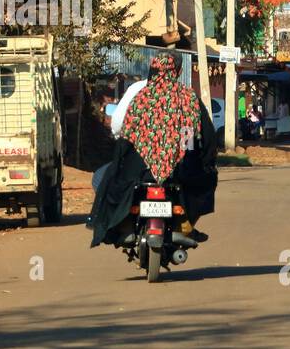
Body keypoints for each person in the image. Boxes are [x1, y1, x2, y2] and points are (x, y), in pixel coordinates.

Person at [89, 53, 218, 247]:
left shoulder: (140, 97)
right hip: (180, 171)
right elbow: (205, 138)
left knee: (107, 180)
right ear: (178, 72)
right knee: (206, 179)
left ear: (153, 70)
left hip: (139, 171)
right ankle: (185, 224)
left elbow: (126, 136)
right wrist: (204, 162)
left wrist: (121, 161)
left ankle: (122, 226)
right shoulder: (189, 98)